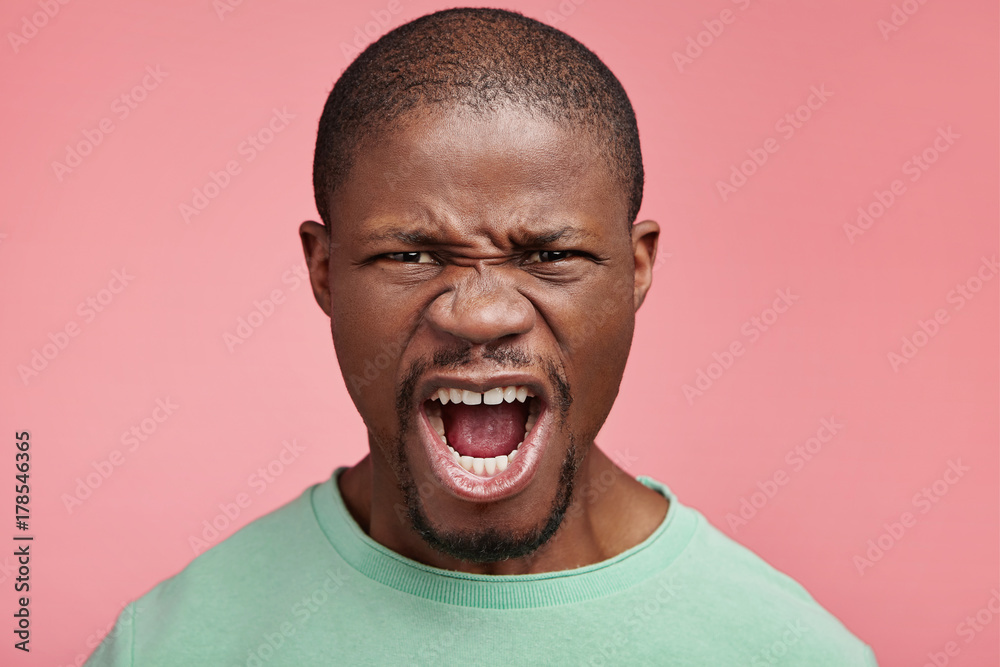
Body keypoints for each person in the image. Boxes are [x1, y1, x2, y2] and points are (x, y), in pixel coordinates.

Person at [87, 8, 877, 665]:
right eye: (411, 254)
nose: (479, 313)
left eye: (550, 255)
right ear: (324, 270)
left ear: (636, 270)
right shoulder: (168, 645)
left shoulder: (787, 651)